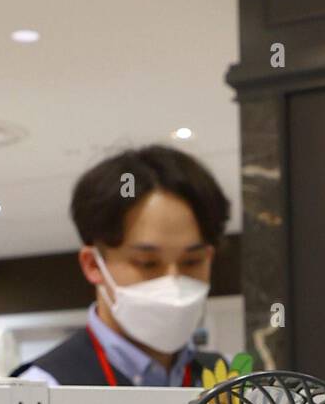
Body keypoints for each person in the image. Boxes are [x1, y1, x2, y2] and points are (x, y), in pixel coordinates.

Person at [15, 146, 229, 387]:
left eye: (192, 261)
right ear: (93, 264)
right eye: (147, 263)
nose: (173, 282)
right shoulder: (44, 391)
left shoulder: (231, 384)